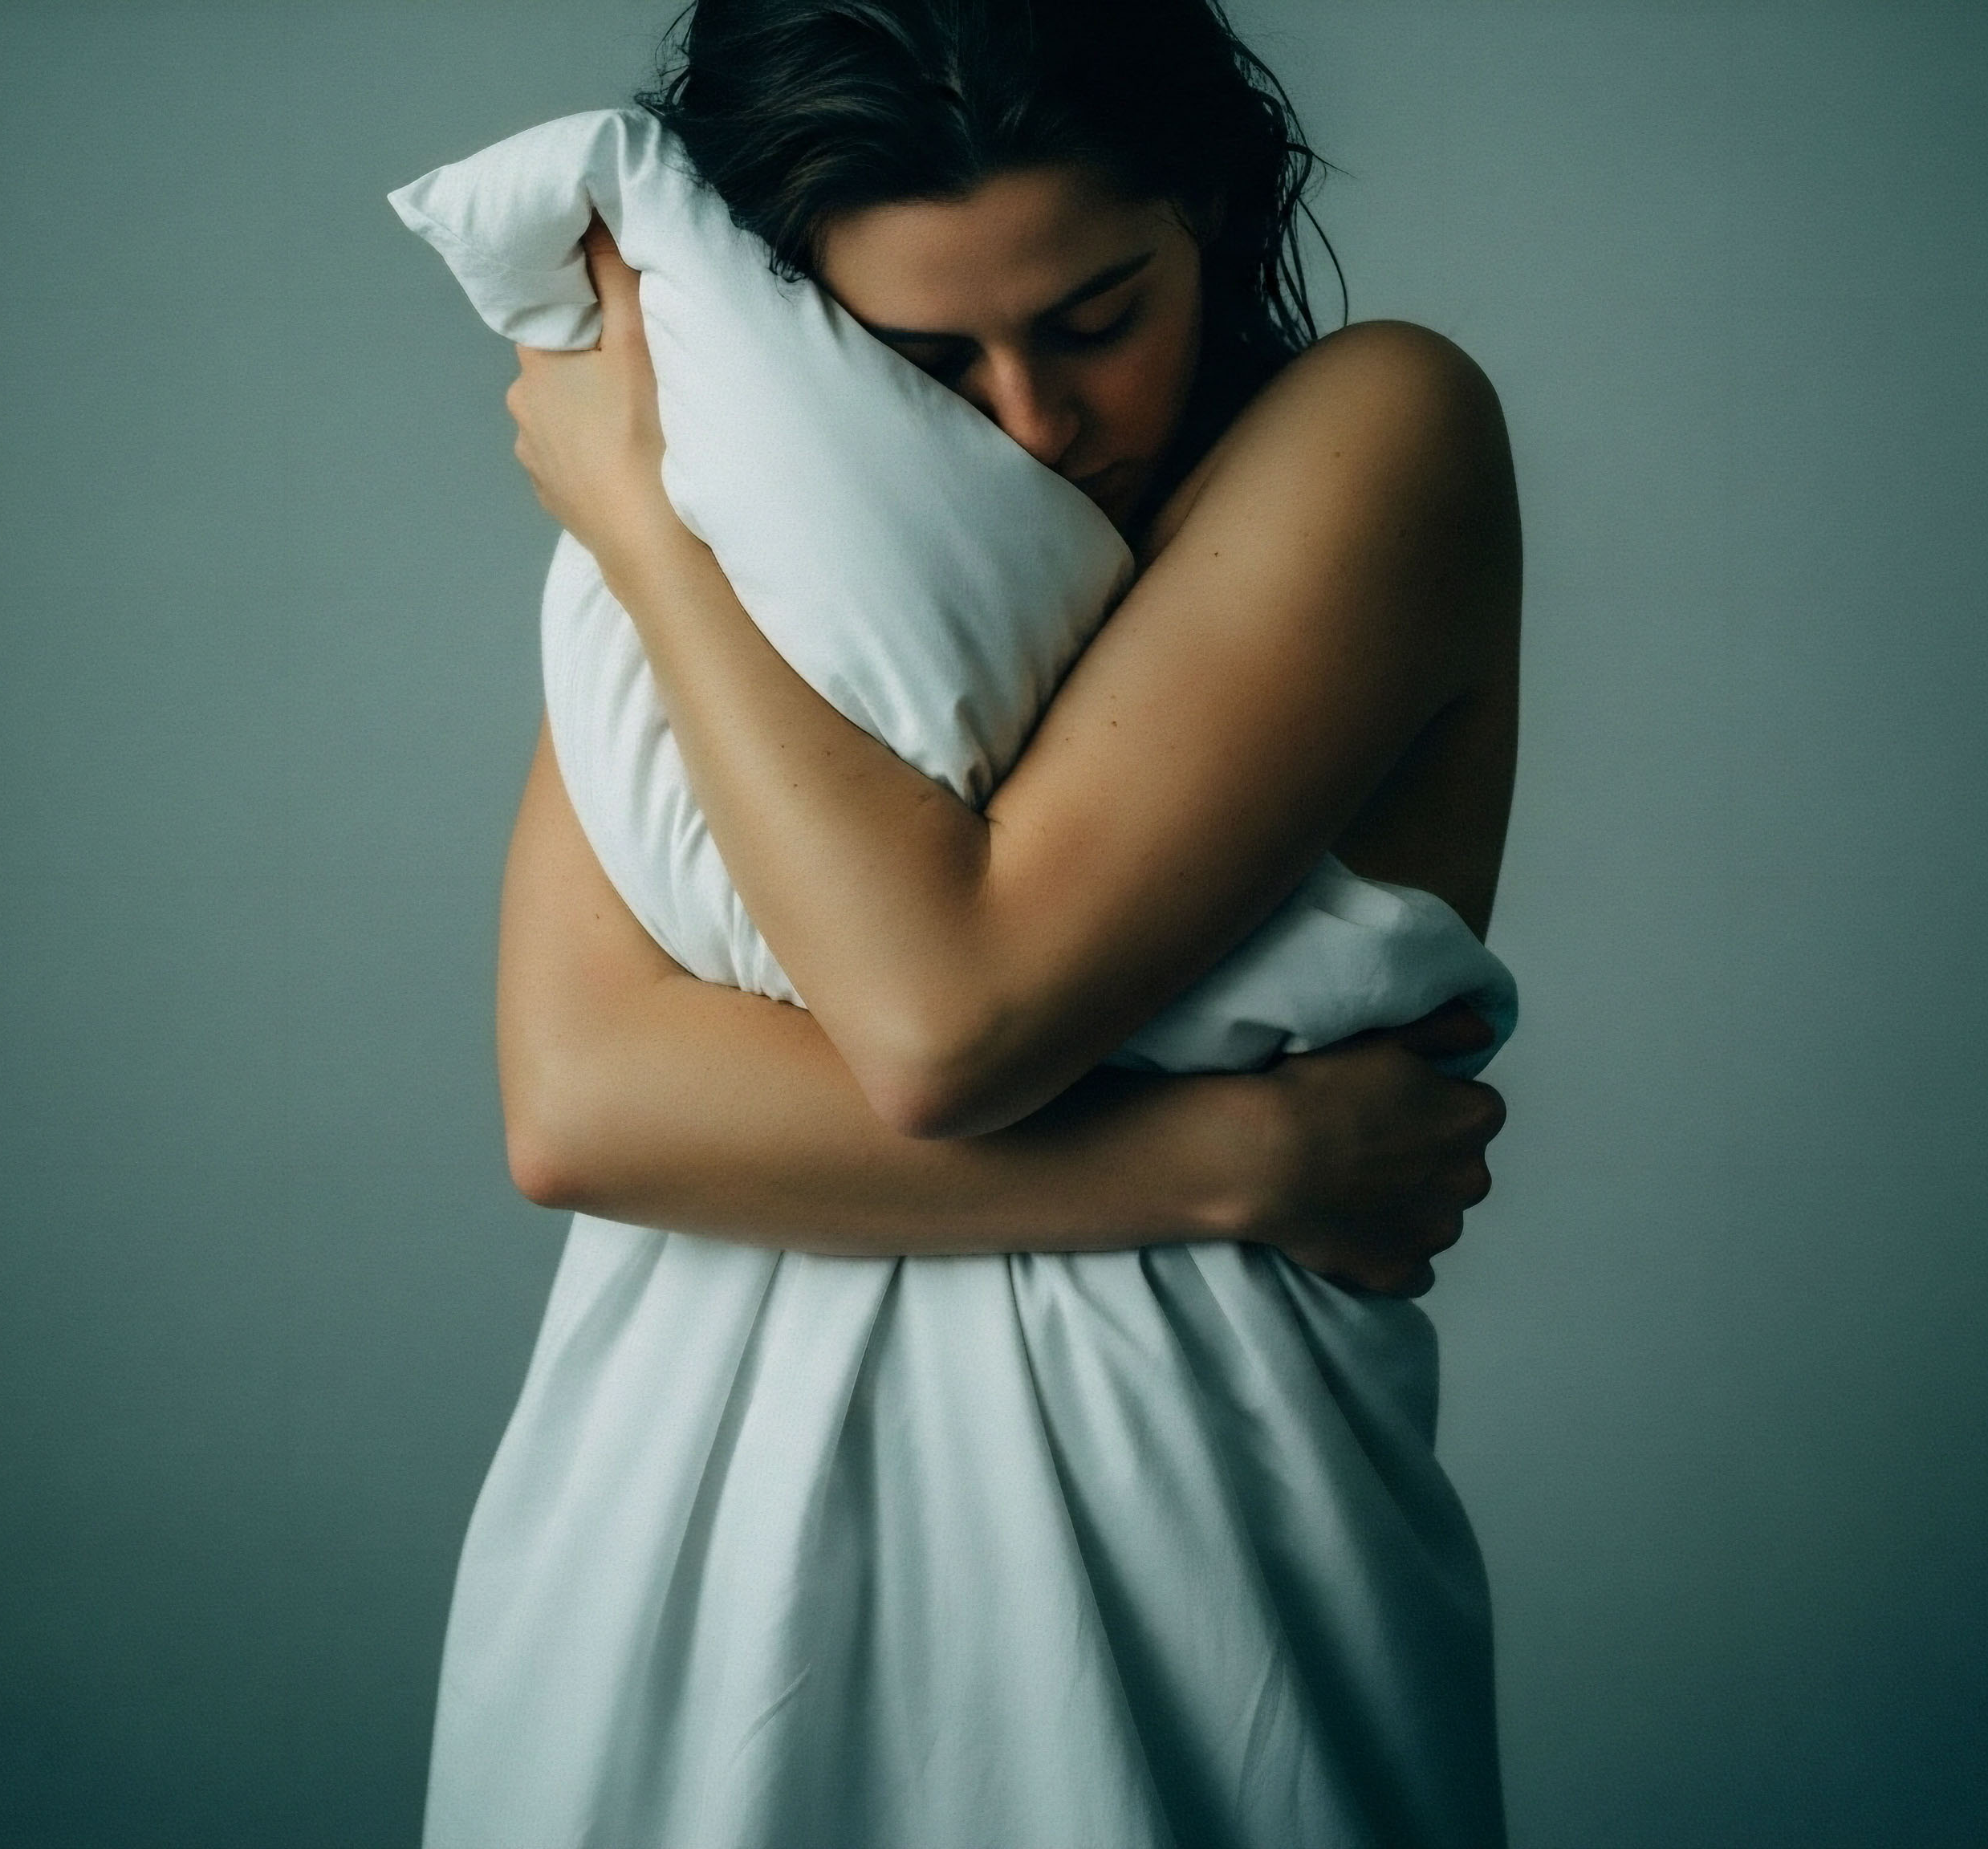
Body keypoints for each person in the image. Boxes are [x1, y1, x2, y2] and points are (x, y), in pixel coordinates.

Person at [425, 2, 1520, 1843]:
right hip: (673, 1533)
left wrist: (646, 532)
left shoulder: (1378, 438)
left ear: (1217, 218)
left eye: (1099, 315)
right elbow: (585, 1109)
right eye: (922, 353)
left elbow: (951, 1020)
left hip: (1200, 1536)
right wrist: (1221, 1157)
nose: (1035, 414)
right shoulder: (737, 546)